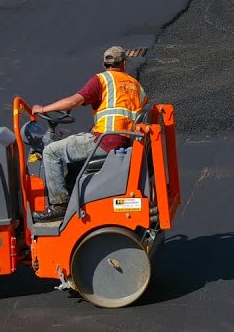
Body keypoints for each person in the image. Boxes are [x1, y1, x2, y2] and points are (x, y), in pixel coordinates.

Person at [30, 46, 148, 222]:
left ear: (105, 64)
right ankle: (72, 197)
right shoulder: (137, 87)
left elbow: (73, 101)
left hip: (105, 141)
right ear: (124, 63)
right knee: (73, 155)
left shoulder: (102, 80)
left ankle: (59, 205)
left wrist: (43, 109)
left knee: (51, 152)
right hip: (124, 142)